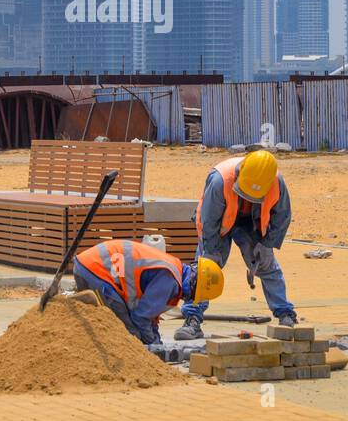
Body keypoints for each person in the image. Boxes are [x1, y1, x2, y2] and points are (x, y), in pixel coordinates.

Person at [175, 148, 297, 340]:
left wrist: (267, 245)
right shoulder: (220, 181)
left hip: (252, 221)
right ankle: (192, 319)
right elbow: (209, 221)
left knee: (266, 265)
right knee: (206, 267)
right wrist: (211, 250)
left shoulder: (276, 182)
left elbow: (282, 216)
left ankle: (285, 315)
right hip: (219, 222)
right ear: (240, 176)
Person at [73, 239, 224, 345]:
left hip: (89, 266)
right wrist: (152, 344)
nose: (188, 298)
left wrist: (154, 336)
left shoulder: (173, 269)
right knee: (131, 337)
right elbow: (140, 317)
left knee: (128, 329)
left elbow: (150, 315)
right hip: (97, 272)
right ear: (194, 285)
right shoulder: (170, 281)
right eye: (193, 296)